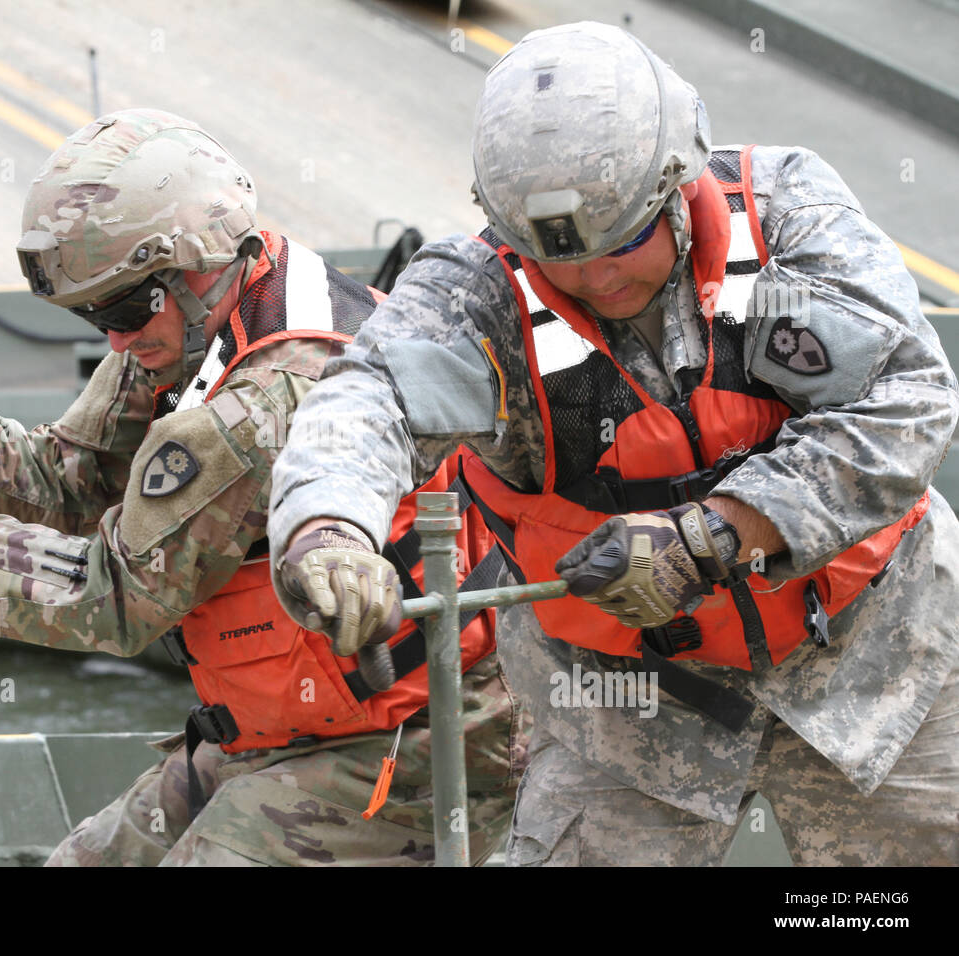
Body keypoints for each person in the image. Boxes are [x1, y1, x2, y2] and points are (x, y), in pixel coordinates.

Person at [268, 21, 959, 865]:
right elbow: (365, 403)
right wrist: (326, 528)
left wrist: (720, 532)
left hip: (879, 663)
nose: (598, 279)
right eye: (564, 259)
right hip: (625, 704)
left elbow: (908, 401)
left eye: (624, 242)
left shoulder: (787, 216)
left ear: (678, 186)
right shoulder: (476, 294)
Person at [0, 108, 522, 866]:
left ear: (199, 265)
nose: (113, 338)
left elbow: (111, 600)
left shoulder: (263, 404)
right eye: (94, 313)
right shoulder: (186, 329)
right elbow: (70, 481)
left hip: (413, 752)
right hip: (281, 734)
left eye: (122, 309)